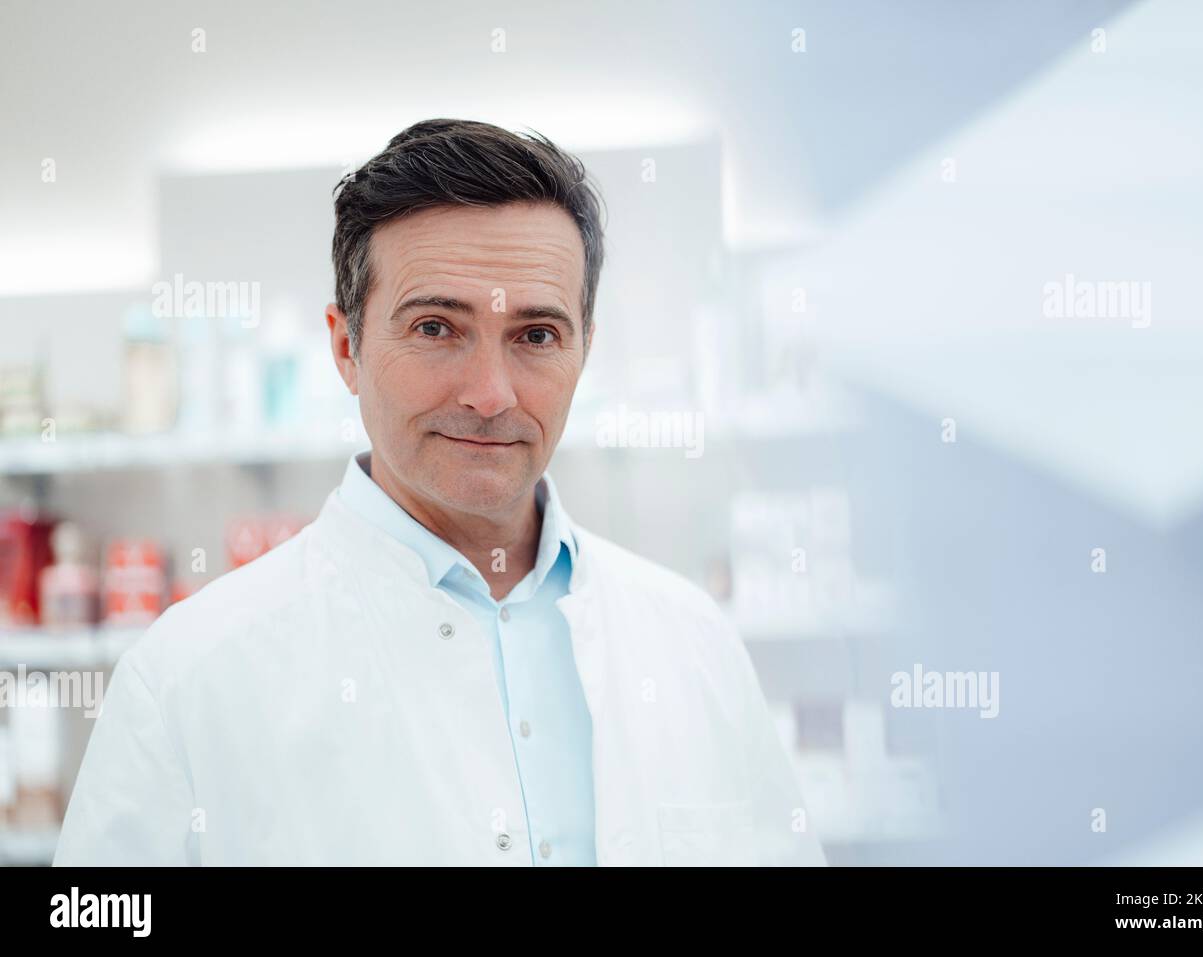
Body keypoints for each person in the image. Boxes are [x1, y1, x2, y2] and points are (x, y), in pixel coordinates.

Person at [54, 119, 827, 866]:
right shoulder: (187, 680)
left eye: (535, 336)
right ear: (345, 345)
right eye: (435, 328)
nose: (490, 394)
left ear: (583, 351)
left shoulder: (691, 642)